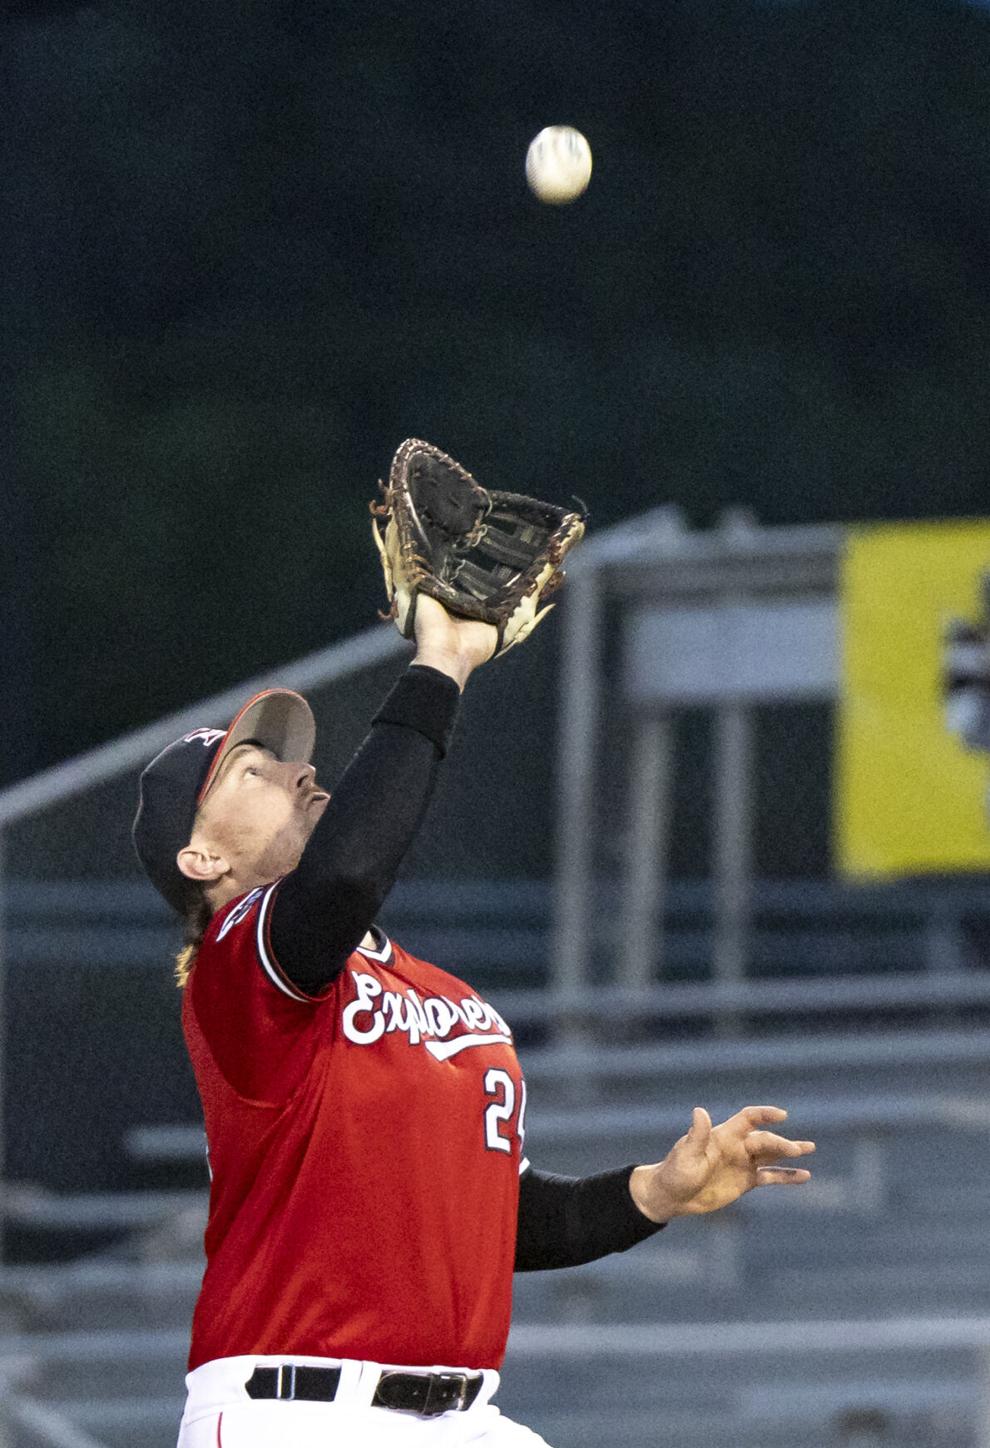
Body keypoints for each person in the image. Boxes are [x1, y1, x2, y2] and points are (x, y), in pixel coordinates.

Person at [132, 594, 815, 1448]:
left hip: (469, 1420)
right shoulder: (239, 970)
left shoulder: (448, 995)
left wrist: (653, 1192)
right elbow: (343, 882)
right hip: (295, 1411)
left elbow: (499, 1218)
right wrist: (441, 663)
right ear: (203, 860)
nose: (298, 772)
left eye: (285, 760)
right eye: (251, 771)